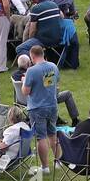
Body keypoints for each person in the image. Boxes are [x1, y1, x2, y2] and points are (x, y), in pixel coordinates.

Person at [22, 45, 60, 173]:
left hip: (37, 107)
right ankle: (58, 161)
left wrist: (24, 82)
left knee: (41, 137)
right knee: (52, 134)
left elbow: (26, 91)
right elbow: (50, 84)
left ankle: (45, 167)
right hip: (52, 105)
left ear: (32, 56)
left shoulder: (32, 71)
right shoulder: (52, 66)